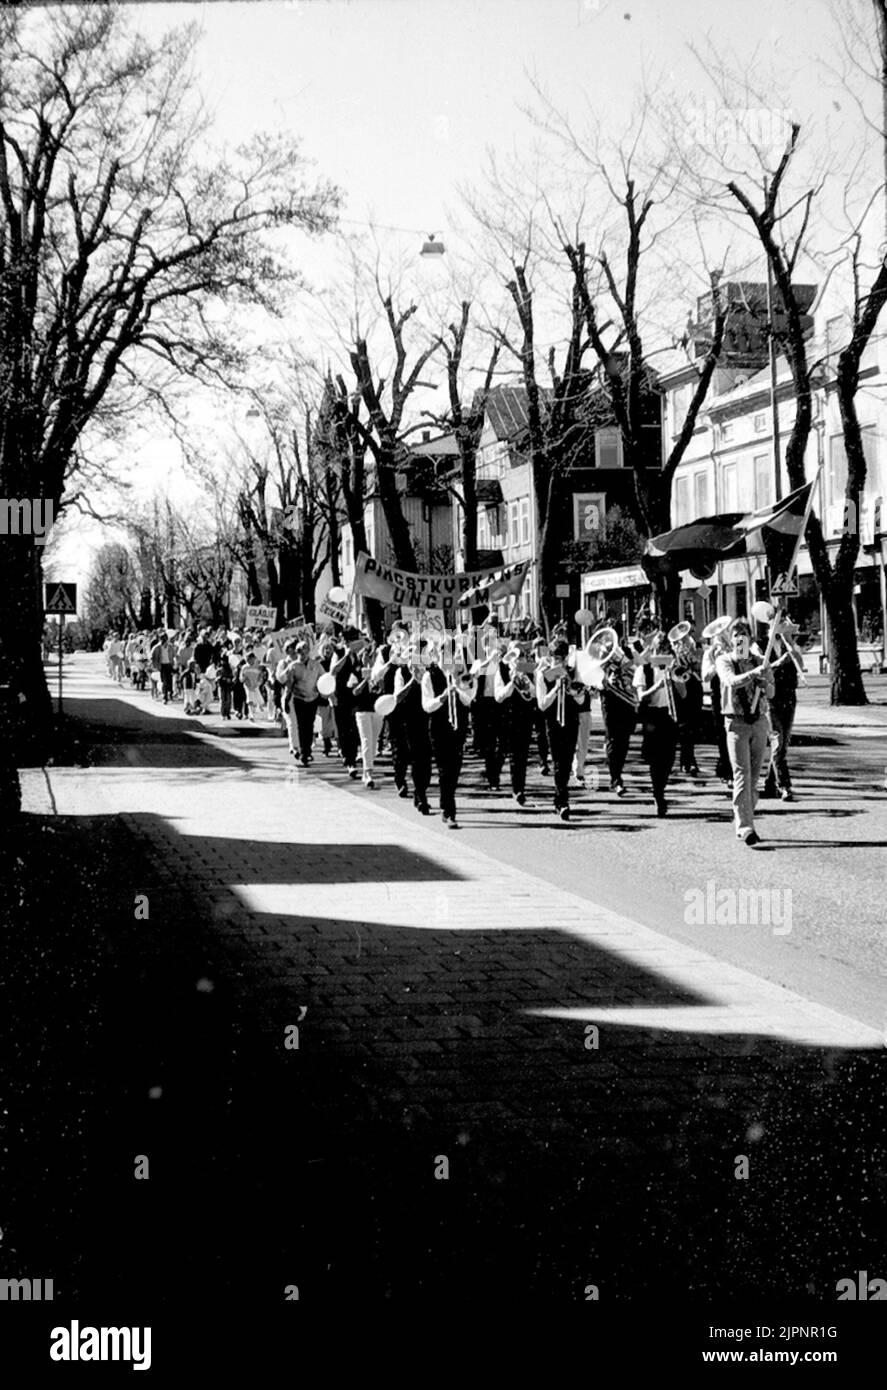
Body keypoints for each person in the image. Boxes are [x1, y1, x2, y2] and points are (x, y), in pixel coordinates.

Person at [715, 617, 775, 845]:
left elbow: (771, 693)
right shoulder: (725, 660)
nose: (740, 639)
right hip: (736, 723)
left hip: (758, 722)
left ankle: (744, 811)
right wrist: (752, 674)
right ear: (730, 640)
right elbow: (730, 681)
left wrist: (764, 683)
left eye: (744, 635)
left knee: (754, 779)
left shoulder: (761, 660)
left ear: (750, 638)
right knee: (742, 774)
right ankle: (746, 827)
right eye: (735, 636)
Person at [422, 644, 477, 828]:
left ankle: (446, 803)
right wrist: (442, 697)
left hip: (458, 726)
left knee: (454, 769)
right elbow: (427, 705)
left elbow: (469, 700)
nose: (451, 659)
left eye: (454, 655)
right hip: (438, 727)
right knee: (444, 768)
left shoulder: (463, 676)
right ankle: (449, 811)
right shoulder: (430, 675)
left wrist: (457, 686)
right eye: (446, 655)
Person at [632, 630, 686, 818]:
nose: (663, 652)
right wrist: (658, 686)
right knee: (656, 758)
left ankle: (660, 788)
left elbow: (684, 694)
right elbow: (641, 697)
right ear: (653, 651)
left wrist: (675, 678)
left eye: (666, 649)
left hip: (669, 715)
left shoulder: (672, 668)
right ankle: (658, 794)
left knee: (669, 758)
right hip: (653, 716)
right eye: (660, 649)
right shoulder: (644, 670)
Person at [536, 637, 585, 821]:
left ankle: (560, 798)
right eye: (557, 656)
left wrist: (575, 691)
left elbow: (581, 701)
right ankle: (563, 801)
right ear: (551, 656)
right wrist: (556, 688)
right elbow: (542, 704)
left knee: (566, 761)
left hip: (571, 721)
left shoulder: (573, 672)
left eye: (563, 656)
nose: (560, 660)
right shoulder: (544, 674)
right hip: (553, 722)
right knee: (558, 763)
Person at [760, 618, 803, 802]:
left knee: (783, 745)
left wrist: (791, 643)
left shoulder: (789, 645)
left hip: (789, 697)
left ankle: (770, 784)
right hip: (771, 698)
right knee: (777, 742)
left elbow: (800, 666)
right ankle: (785, 786)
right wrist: (779, 663)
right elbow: (760, 669)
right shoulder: (761, 645)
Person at [393, 637, 433, 814]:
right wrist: (413, 681)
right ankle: (420, 794)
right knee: (414, 758)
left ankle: (420, 791)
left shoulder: (429, 671)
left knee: (426, 760)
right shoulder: (401, 673)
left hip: (427, 718)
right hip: (408, 720)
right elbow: (397, 697)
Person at [494, 641, 536, 806]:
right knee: (508, 753)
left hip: (525, 717)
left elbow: (534, 694)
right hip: (508, 717)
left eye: (521, 655)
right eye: (515, 654)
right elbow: (498, 696)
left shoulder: (527, 670)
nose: (518, 658)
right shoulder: (502, 670)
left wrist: (525, 681)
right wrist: (511, 683)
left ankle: (520, 789)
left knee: (522, 755)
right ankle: (505, 782)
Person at [470, 626, 507, 791]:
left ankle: (495, 770)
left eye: (494, 644)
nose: (492, 648)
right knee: (490, 744)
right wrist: (488, 660)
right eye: (489, 645)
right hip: (484, 705)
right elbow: (475, 674)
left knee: (504, 744)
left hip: (500, 703)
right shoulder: (479, 662)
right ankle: (493, 779)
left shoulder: (502, 663)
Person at [277, 639, 322, 765]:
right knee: (302, 726)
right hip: (299, 699)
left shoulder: (316, 665)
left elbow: (323, 678)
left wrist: (323, 691)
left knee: (310, 725)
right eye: (300, 652)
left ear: (309, 652)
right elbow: (286, 683)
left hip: (312, 698)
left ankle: (307, 750)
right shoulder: (293, 666)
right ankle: (304, 753)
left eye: (305, 652)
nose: (302, 654)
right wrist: (286, 699)